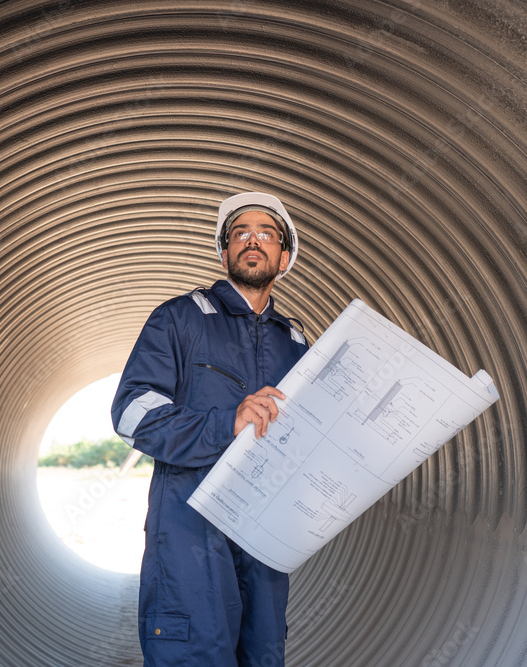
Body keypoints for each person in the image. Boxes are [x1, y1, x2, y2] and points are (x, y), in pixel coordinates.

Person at [111, 192, 309, 666]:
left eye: (267, 233)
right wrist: (228, 423)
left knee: (262, 655)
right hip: (190, 534)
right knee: (195, 654)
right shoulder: (179, 319)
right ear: (224, 253)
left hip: (264, 539)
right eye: (240, 233)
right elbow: (133, 412)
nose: (252, 241)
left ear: (284, 256)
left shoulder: (296, 341)